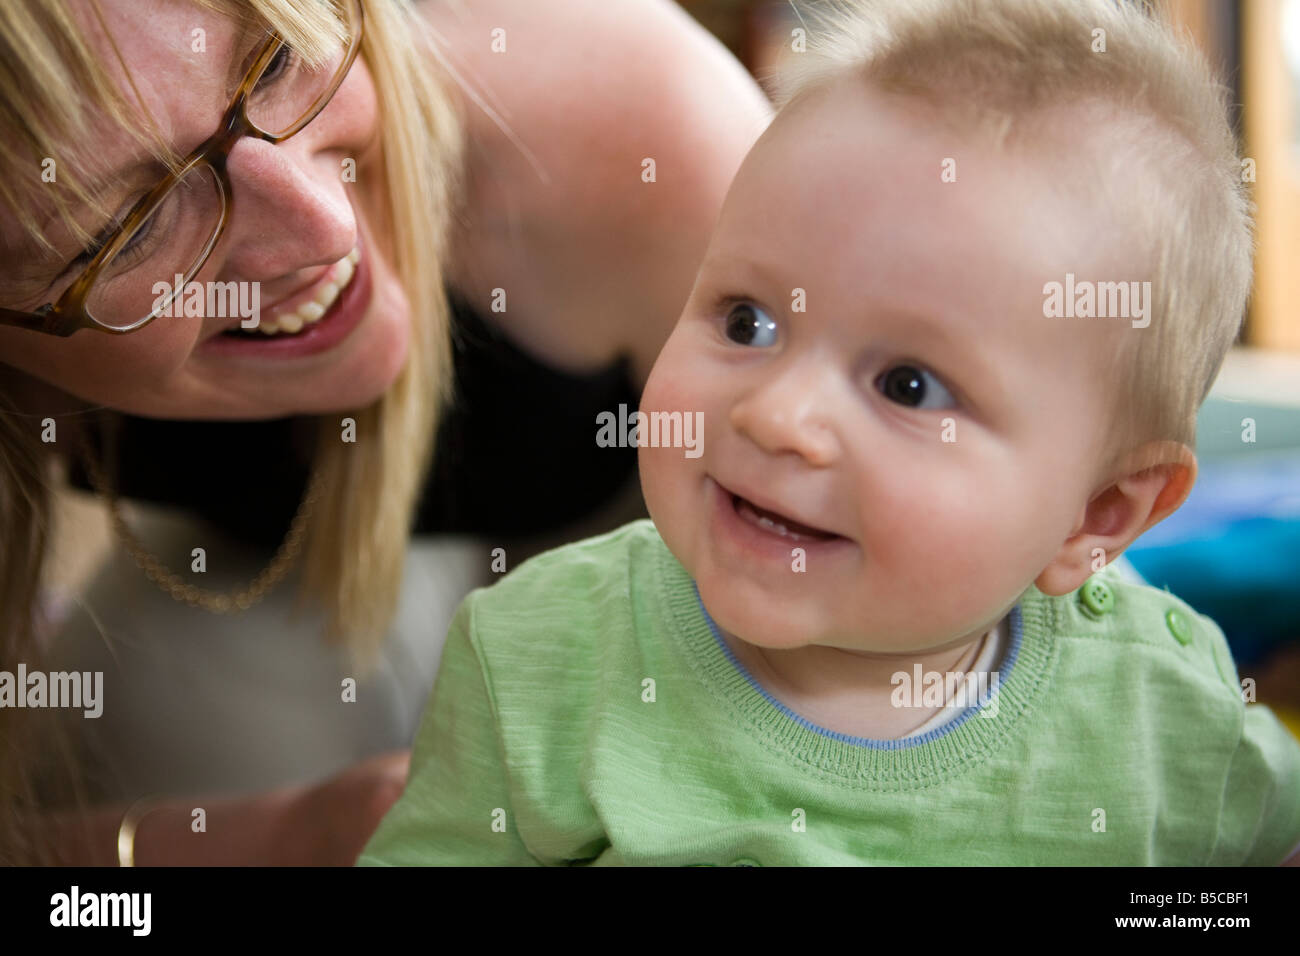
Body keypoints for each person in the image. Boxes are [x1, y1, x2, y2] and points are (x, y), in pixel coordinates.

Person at [358, 0, 1300, 865]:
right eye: (747, 322)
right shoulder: (541, 657)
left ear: (1096, 513)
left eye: (908, 385)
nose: (778, 416)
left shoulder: (1165, 712)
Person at [0, 0, 771, 864]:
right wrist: (281, 836)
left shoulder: (648, 128)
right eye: (133, 228)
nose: (326, 228)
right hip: (250, 597)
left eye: (277, 63)